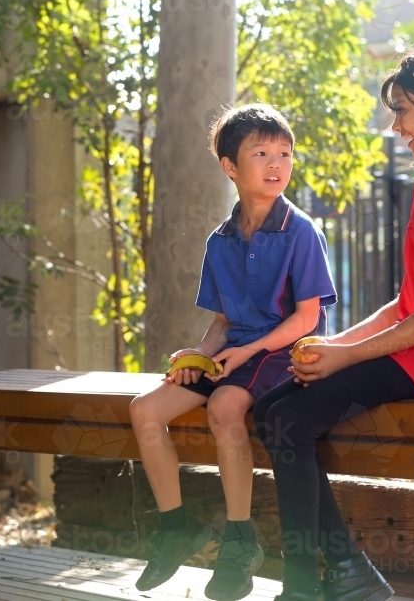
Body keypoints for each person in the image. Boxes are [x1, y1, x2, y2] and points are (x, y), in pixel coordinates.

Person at [254, 43, 414, 601]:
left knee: (289, 421)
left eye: (402, 109)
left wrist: (346, 358)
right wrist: (333, 344)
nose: (395, 125)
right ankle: (345, 573)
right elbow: (406, 303)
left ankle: (309, 584)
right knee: (270, 408)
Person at [129, 104, 337, 601]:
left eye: (284, 153)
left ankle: (240, 541)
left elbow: (307, 320)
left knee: (224, 406)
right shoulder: (219, 240)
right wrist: (198, 354)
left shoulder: (300, 231)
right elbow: (221, 324)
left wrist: (244, 355)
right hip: (236, 353)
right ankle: (175, 525)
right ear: (230, 167)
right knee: (146, 410)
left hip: (284, 351)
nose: (276, 163)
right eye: (260, 152)